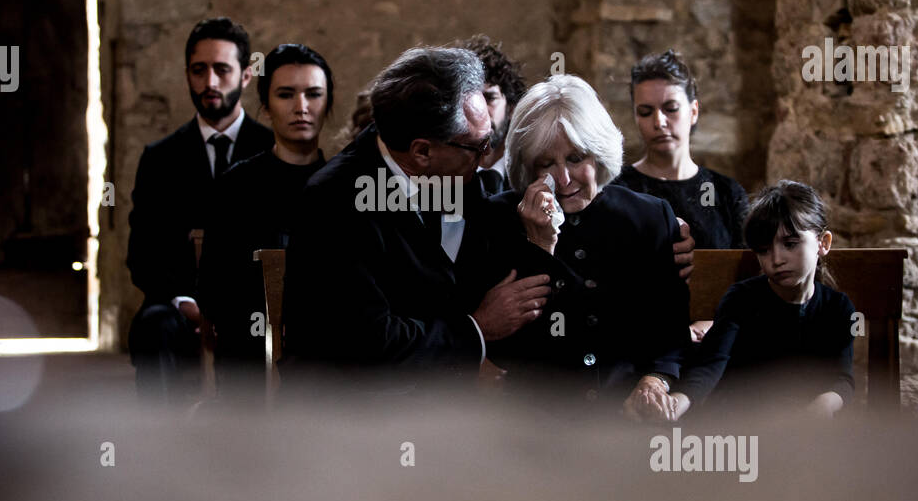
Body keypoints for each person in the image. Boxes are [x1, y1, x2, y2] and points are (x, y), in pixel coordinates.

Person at [283, 46, 551, 391]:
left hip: (434, 382)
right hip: (346, 403)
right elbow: (370, 343)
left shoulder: (458, 174)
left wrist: (541, 237)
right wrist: (478, 329)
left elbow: (487, 265)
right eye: (478, 147)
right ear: (422, 151)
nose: (486, 160)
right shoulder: (333, 202)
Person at [477, 74, 692, 419]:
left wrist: (655, 380)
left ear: (599, 154)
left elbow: (670, 334)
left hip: (625, 411)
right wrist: (539, 247)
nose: (563, 179)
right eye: (546, 164)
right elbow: (510, 351)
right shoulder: (499, 219)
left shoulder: (649, 217)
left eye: (576, 158)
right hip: (535, 416)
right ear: (527, 167)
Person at [126, 17, 275, 401]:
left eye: (222, 70)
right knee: (152, 327)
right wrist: (188, 304)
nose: (209, 82)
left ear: (245, 76)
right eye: (199, 70)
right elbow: (142, 255)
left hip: (254, 306)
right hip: (181, 307)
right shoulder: (159, 159)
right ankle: (160, 447)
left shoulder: (274, 150)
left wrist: (236, 309)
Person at [196, 43, 334, 400]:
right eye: (286, 95)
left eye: (313, 95)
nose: (301, 107)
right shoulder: (235, 185)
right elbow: (213, 289)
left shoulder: (343, 187)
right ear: (266, 107)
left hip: (329, 353)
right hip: (250, 354)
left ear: (328, 105)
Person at [671, 180, 855, 416]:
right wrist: (676, 403)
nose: (776, 259)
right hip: (742, 422)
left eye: (790, 244)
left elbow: (841, 380)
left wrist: (824, 405)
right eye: (764, 250)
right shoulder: (742, 299)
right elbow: (710, 365)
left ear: (823, 243)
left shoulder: (837, 308)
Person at [614, 50, 748, 340]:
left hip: (718, 342)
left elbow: (750, 279)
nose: (659, 122)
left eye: (671, 108)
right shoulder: (617, 189)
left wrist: (712, 324)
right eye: (645, 112)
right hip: (638, 339)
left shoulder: (726, 193)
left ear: (694, 111)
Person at [451, 35, 526, 195]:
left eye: (490, 98)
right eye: (469, 99)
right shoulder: (444, 174)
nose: (480, 111)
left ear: (511, 108)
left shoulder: (529, 172)